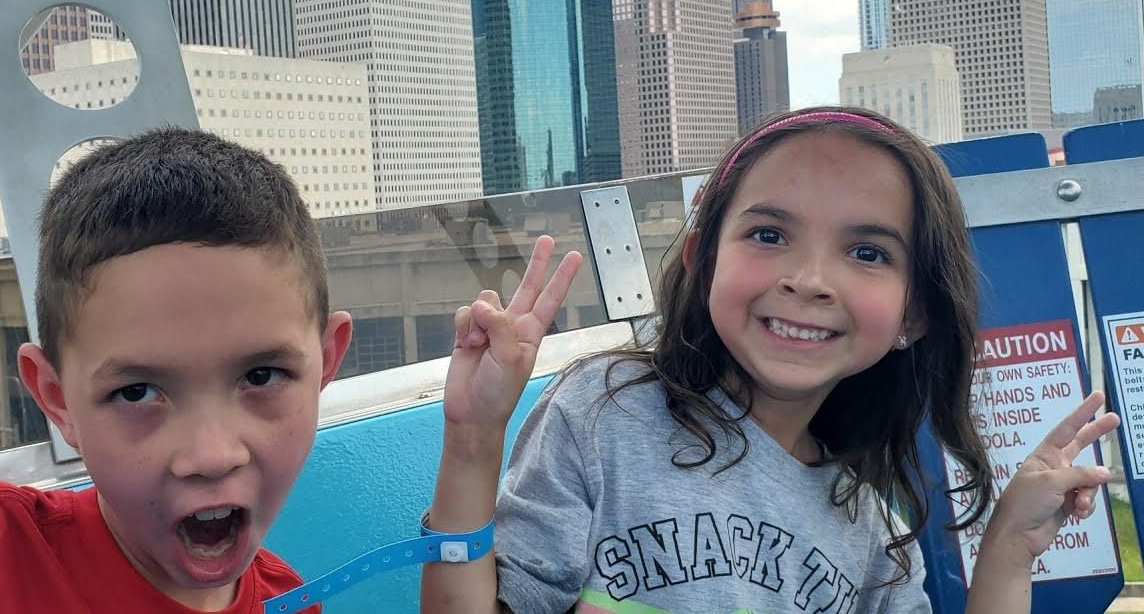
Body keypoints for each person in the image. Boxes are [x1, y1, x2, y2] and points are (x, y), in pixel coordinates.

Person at [421, 107, 1121, 613]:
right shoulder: (601, 410)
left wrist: (1010, 548)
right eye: (767, 233)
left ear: (913, 315)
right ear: (703, 261)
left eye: (867, 252)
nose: (810, 278)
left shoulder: (871, 534)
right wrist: (474, 440)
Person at [0, 126, 581, 613]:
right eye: (137, 391)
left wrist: (475, 438)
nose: (210, 454)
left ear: (326, 361)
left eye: (262, 377)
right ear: (57, 400)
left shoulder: (287, 598)